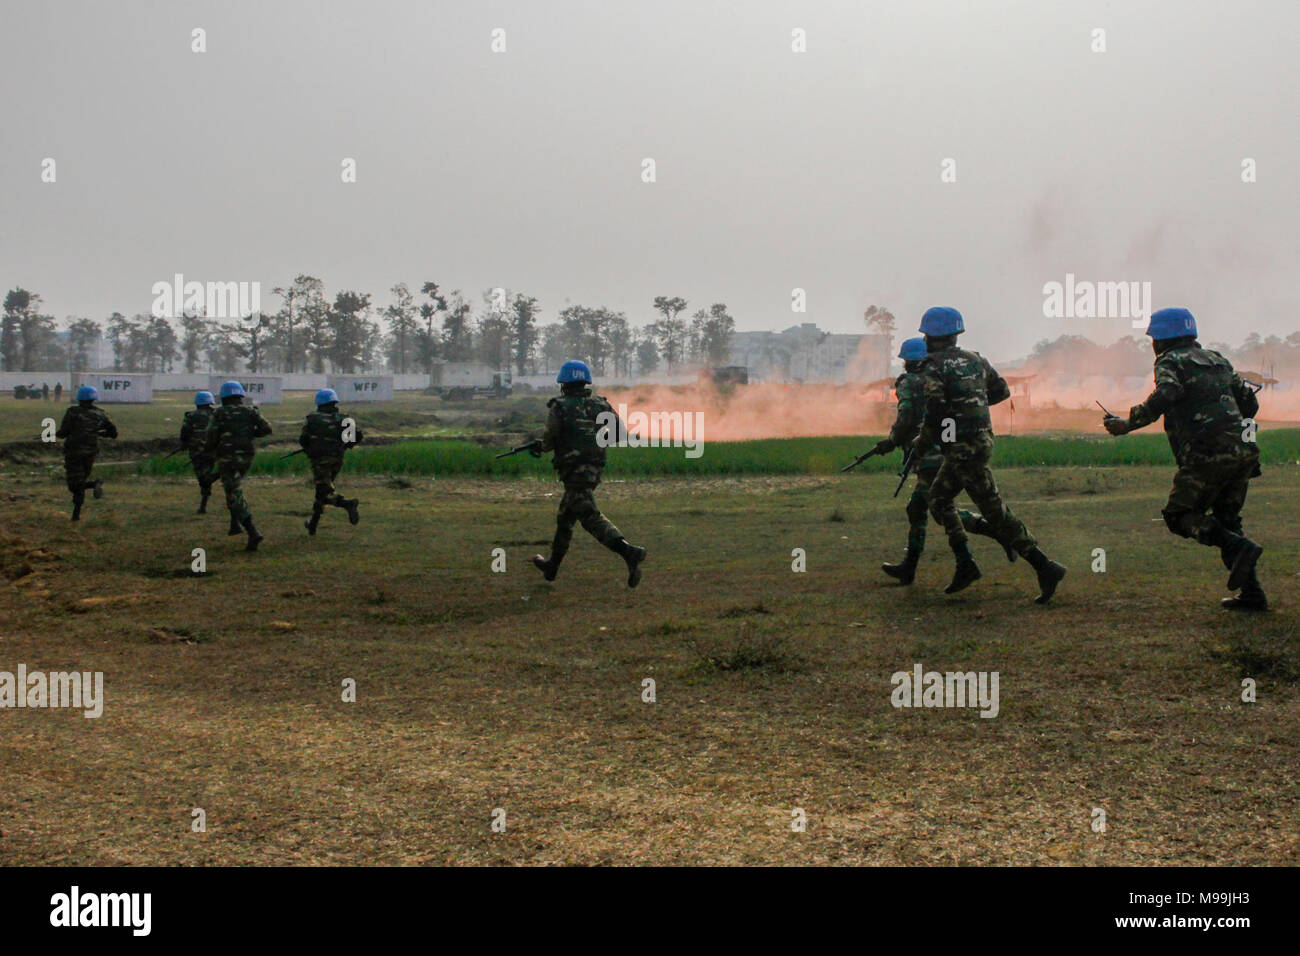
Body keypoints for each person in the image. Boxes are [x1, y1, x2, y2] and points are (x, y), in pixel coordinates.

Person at [1103, 308, 1265, 610]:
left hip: (1206, 453)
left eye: (1153, 338)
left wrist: (1127, 423)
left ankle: (1239, 548)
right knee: (1228, 519)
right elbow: (1249, 404)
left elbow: (1166, 393)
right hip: (1243, 451)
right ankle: (1252, 593)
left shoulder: (1170, 361)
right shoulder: (1217, 359)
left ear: (1163, 338)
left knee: (1179, 517)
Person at [913, 307, 1067, 603]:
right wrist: (974, 404)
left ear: (931, 336)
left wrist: (926, 439)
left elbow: (934, 408)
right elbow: (1001, 391)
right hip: (982, 441)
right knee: (992, 510)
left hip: (961, 448)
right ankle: (1043, 566)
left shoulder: (933, 365)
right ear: (956, 334)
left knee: (940, 501)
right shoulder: (976, 359)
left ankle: (968, 564)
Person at [874, 337, 1016, 585]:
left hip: (929, 454)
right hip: (951, 450)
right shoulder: (945, 378)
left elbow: (907, 417)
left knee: (940, 506)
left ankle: (973, 553)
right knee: (921, 507)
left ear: (909, 362)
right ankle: (912, 566)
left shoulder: (909, 383)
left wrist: (892, 441)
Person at [530, 360, 647, 587]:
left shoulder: (560, 406)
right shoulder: (600, 405)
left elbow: (549, 440)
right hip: (593, 469)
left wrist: (539, 446)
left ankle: (628, 551)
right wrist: (595, 442)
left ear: (564, 383)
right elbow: (620, 433)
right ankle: (552, 566)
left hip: (573, 471)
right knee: (566, 516)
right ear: (585, 381)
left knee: (589, 517)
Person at [203, 380, 272, 551]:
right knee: (233, 487)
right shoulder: (250, 412)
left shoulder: (219, 413)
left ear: (224, 397)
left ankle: (253, 531)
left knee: (233, 492)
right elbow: (267, 429)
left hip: (227, 457)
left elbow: (211, 436)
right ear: (241, 395)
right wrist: (249, 434)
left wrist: (208, 450)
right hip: (247, 456)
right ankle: (234, 524)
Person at [299, 388, 362, 535]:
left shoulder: (313, 419)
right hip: (337, 460)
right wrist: (342, 445)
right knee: (321, 492)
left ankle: (347, 504)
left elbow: (303, 440)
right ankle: (312, 525)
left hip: (320, 462)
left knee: (324, 493)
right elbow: (355, 439)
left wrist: (311, 448)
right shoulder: (345, 419)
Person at [56, 385, 117, 520]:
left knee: (74, 484)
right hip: (90, 451)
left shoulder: (73, 412)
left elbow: (64, 432)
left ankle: (94, 485)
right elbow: (113, 433)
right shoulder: (101, 414)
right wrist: (100, 433)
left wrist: (55, 434)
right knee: (80, 481)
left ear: (79, 398)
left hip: (74, 451)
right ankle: (76, 515)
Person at [180, 391, 219, 513]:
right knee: (206, 476)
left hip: (196, 451)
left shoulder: (190, 416)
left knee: (203, 478)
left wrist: (184, 444)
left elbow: (184, 433)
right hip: (212, 450)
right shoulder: (216, 415)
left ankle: (203, 505)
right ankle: (203, 506)